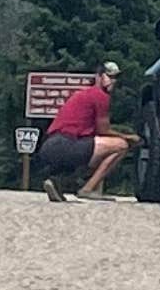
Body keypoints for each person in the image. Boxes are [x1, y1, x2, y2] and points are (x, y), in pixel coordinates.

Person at [37, 63, 132, 201]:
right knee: (121, 145)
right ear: (98, 77)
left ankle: (56, 181)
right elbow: (103, 130)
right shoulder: (100, 95)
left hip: (49, 146)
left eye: (116, 77)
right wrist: (129, 137)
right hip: (67, 144)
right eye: (109, 76)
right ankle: (88, 189)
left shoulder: (82, 93)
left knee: (89, 147)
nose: (113, 80)